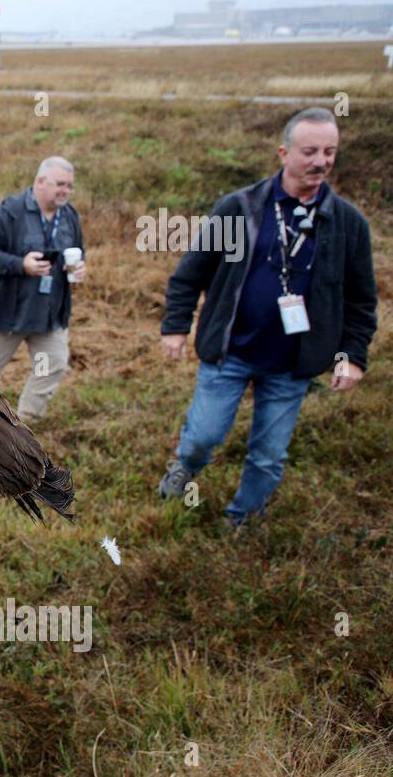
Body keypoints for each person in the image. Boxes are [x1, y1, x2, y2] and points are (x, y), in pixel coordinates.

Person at [158, 107, 377, 527]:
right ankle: (185, 466)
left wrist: (353, 355)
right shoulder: (238, 208)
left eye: (330, 152)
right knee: (202, 437)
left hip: (292, 363)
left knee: (269, 453)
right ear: (284, 152)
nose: (321, 161)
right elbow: (191, 273)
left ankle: (241, 519)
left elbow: (362, 301)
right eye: (310, 150)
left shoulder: (348, 223)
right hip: (230, 350)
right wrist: (175, 327)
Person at [0, 156, 86, 421]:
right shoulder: (9, 212)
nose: (65, 191)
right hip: (7, 316)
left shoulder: (69, 216)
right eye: (60, 184)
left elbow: (80, 252)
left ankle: (24, 426)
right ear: (40, 182)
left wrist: (80, 267)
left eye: (70, 186)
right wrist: (20, 265)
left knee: (53, 367)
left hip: (49, 316)